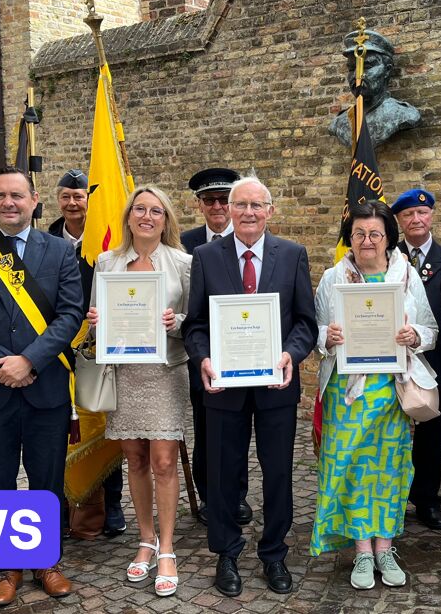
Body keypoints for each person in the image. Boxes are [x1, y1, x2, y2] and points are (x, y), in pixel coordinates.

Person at [0, 166, 84, 607]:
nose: (9, 203)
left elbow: (69, 314)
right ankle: (7, 567)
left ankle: (46, 561)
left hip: (45, 386)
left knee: (46, 479)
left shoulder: (59, 252)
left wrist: (30, 360)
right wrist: (0, 364)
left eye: (17, 195)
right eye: (0, 195)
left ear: (34, 199)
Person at [182, 176, 317, 597]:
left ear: (270, 211)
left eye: (257, 205)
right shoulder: (205, 256)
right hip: (224, 387)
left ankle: (274, 553)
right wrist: (202, 357)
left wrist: (290, 356)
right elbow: (196, 325)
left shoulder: (292, 255)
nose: (248, 212)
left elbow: (305, 323)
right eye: (241, 205)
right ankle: (226, 553)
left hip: (275, 385)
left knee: (278, 473)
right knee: (223, 475)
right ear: (230, 210)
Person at [310, 200, 437, 590]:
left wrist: (413, 335)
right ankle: (362, 552)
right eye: (359, 234)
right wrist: (326, 338)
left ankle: (385, 547)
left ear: (388, 238)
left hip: (391, 391)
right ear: (350, 237)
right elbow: (313, 329)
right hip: (345, 393)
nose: (367, 241)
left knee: (388, 470)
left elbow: (430, 329)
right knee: (348, 468)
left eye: (375, 234)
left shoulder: (406, 276)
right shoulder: (334, 277)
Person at [84, 185, 192, 597]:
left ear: (166, 220)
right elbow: (98, 318)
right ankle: (144, 539)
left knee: (164, 459)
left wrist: (175, 321)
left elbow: (193, 317)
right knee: (134, 456)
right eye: (140, 209)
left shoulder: (182, 263)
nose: (148, 217)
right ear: (129, 216)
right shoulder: (107, 261)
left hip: (165, 370)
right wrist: (97, 318)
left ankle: (167, 547)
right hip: (124, 370)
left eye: (156, 211)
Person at [48, 168, 126, 538]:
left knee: (106, 424)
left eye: (80, 196)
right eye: (66, 196)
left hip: (99, 346)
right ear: (58, 200)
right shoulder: (44, 240)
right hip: (57, 349)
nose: (73, 203)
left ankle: (111, 504)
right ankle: (65, 506)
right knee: (63, 431)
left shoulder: (111, 242)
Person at [179, 167, 252, 527]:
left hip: (245, 350)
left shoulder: (252, 238)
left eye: (225, 200)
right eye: (210, 200)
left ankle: (237, 494)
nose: (218, 206)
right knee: (207, 428)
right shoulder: (183, 243)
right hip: (204, 353)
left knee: (239, 430)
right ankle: (209, 495)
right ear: (200, 205)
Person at [391, 187, 441, 531]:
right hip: (394, 355)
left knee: (432, 428)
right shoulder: (388, 257)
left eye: (422, 213)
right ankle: (394, 498)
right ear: (399, 220)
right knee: (394, 430)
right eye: (408, 215)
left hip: (435, 356)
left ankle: (427, 499)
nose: (416, 219)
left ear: (431, 216)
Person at [328, 29, 422, 147]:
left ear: (387, 70)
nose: (358, 75)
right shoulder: (339, 123)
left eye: (367, 66)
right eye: (352, 68)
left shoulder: (404, 115)